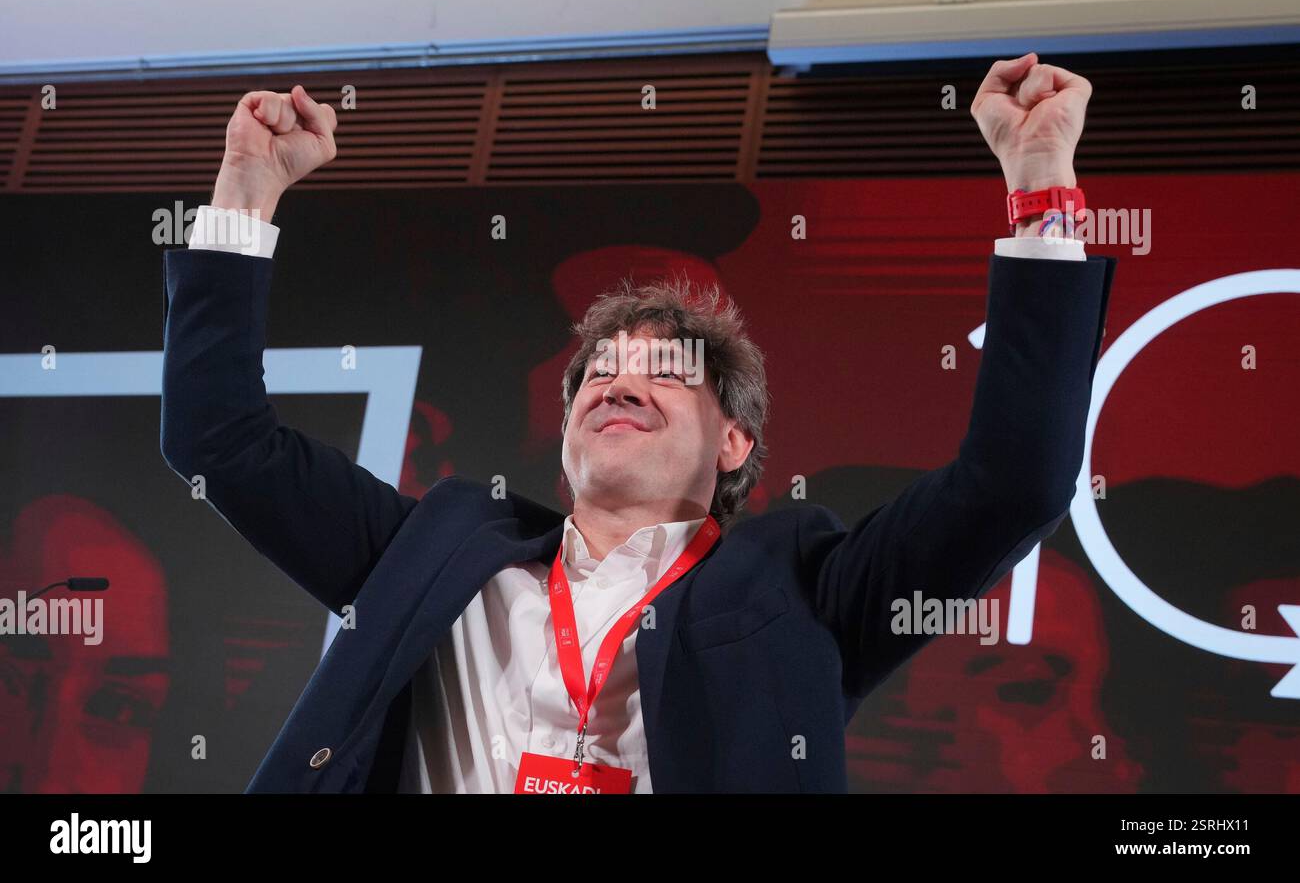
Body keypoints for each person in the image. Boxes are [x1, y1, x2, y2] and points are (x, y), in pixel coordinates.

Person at [160, 52, 1117, 792]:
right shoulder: (436, 550)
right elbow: (218, 440)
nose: (618, 383)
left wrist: (1040, 182)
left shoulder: (805, 591)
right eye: (597, 372)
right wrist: (246, 191)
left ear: (734, 443)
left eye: (666, 372)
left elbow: (1014, 481)